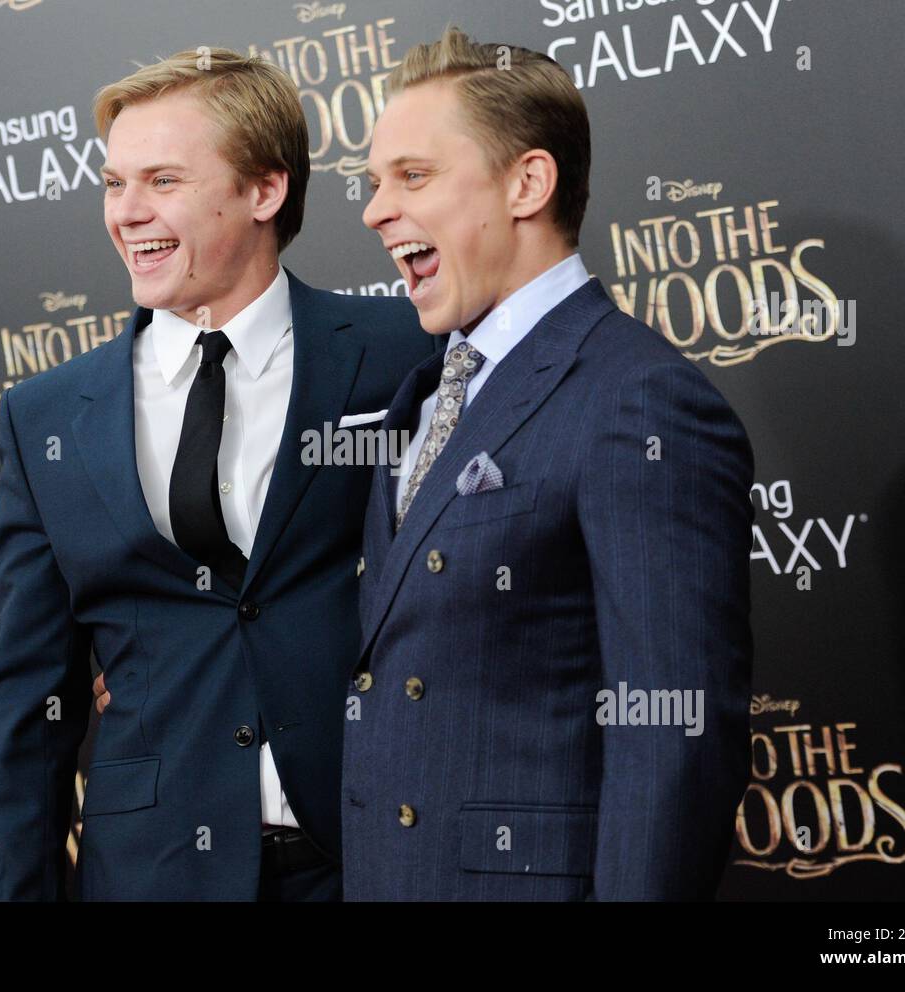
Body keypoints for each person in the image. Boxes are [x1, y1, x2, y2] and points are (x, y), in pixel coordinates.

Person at [0, 47, 433, 901]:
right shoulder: (46, 418)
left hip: (380, 855)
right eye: (113, 184)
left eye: (162, 181)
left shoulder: (402, 357)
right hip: (154, 873)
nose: (127, 213)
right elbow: (26, 707)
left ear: (265, 191)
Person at [342, 27, 755, 900]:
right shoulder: (420, 396)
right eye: (375, 183)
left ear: (528, 182)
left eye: (412, 176)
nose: (376, 210)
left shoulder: (638, 400)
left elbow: (671, 736)